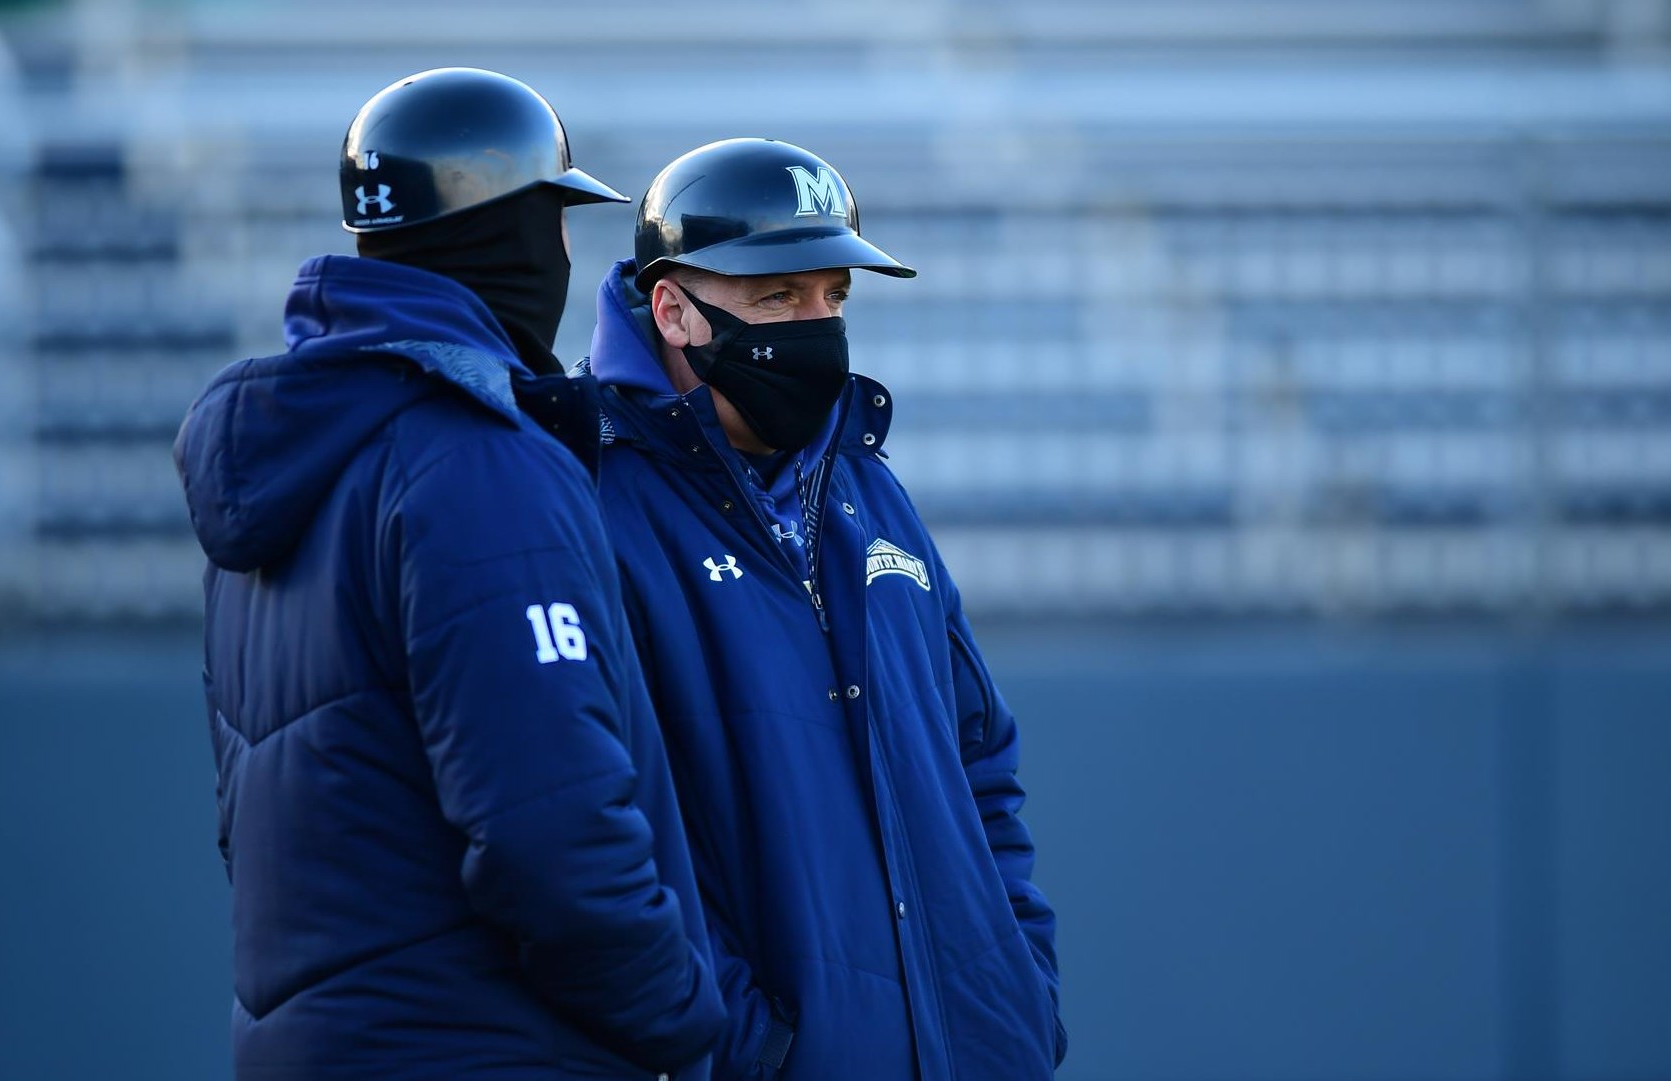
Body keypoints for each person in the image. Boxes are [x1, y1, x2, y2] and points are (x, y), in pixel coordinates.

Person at [171, 68, 724, 1080]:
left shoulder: (298, 454)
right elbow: (551, 833)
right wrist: (691, 1021)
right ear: (509, 234)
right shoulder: (473, 459)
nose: (565, 253)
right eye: (555, 220)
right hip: (486, 1046)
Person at [580, 138, 1065, 1080]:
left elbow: (981, 766)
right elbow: (596, 823)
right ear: (672, 309)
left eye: (834, 296)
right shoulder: (589, 501)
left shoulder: (869, 489)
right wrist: (746, 1047)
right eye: (777, 297)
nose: (817, 324)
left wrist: (1017, 989)